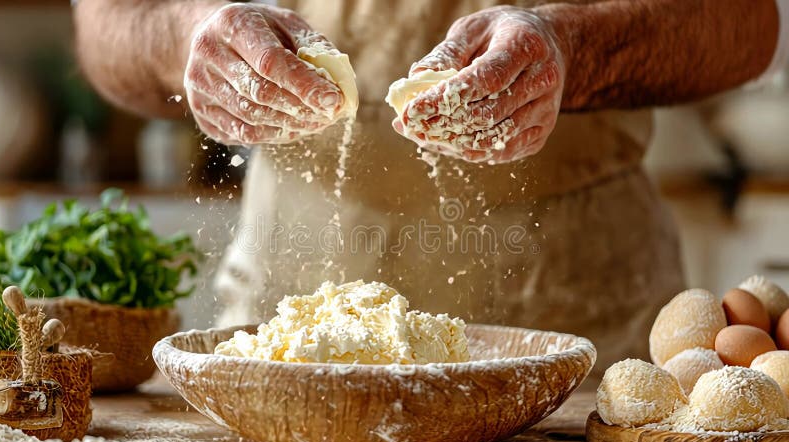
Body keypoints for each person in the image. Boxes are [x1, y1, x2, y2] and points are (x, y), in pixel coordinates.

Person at [73, 0, 788, 378]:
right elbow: (107, 20)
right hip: (291, 338)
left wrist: (572, 49)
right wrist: (184, 36)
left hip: (582, 344)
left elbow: (748, 23)